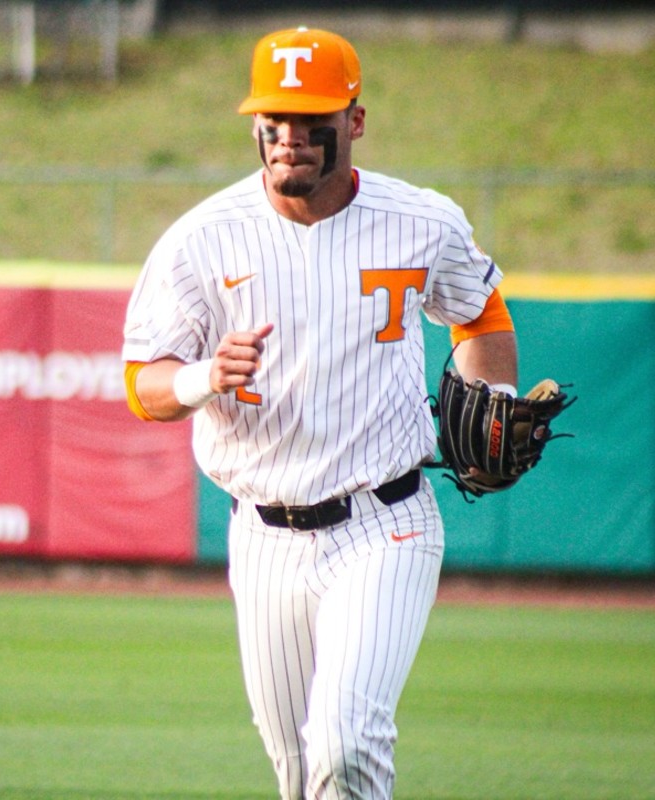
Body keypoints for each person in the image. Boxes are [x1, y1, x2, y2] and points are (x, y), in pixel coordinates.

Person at [121, 26, 518, 800]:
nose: (291, 138)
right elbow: (143, 385)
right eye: (275, 119)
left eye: (313, 122)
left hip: (385, 520)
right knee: (300, 775)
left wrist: (494, 398)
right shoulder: (200, 239)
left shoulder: (421, 221)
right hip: (264, 534)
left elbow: (480, 312)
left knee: (344, 744)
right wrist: (204, 377)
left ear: (355, 123)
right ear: (254, 124)